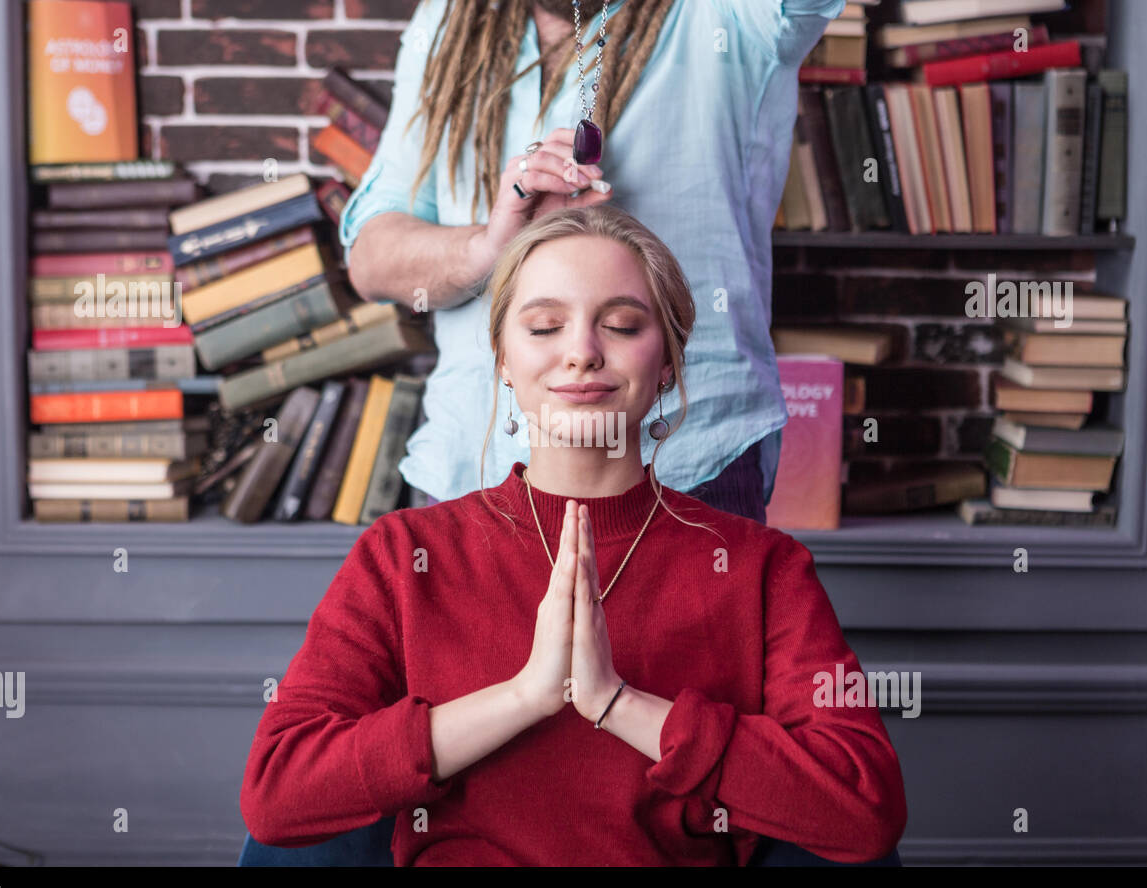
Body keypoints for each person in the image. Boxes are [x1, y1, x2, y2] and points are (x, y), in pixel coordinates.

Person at [240, 206, 906, 865]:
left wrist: (618, 703)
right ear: (503, 360)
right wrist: (525, 697)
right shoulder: (402, 555)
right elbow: (278, 793)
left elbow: (863, 812)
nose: (583, 352)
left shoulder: (763, 568)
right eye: (544, 326)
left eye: (620, 325)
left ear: (668, 364)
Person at [339, 0, 847, 523]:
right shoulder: (451, 19)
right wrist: (491, 247)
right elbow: (372, 259)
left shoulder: (729, 15)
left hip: (686, 468)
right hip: (469, 475)